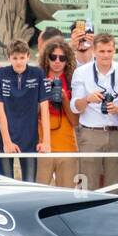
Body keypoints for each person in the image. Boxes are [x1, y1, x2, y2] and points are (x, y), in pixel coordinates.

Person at [70, 31, 118, 190]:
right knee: (87, 186)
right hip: (90, 133)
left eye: (109, 51)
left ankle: (110, 215)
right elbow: (74, 106)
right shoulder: (81, 72)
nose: (106, 55)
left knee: (113, 187)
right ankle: (85, 215)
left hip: (116, 133)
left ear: (115, 51)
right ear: (93, 51)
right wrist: (88, 99)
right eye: (101, 51)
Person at [0, 39, 50, 182]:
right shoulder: (0, 74)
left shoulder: (38, 73)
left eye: (22, 58)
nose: (19, 62)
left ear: (28, 56)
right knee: (7, 183)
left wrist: (46, 140)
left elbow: (44, 108)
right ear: (9, 57)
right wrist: (7, 141)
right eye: (15, 58)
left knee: (30, 183)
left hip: (30, 136)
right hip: (4, 135)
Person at [37, 37, 79, 188]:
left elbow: (75, 121)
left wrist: (64, 99)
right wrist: (43, 95)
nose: (57, 61)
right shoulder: (37, 79)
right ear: (46, 59)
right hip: (42, 144)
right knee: (38, 192)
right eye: (53, 57)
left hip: (66, 145)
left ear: (67, 61)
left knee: (67, 194)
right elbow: (30, 115)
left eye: (62, 58)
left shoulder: (72, 81)